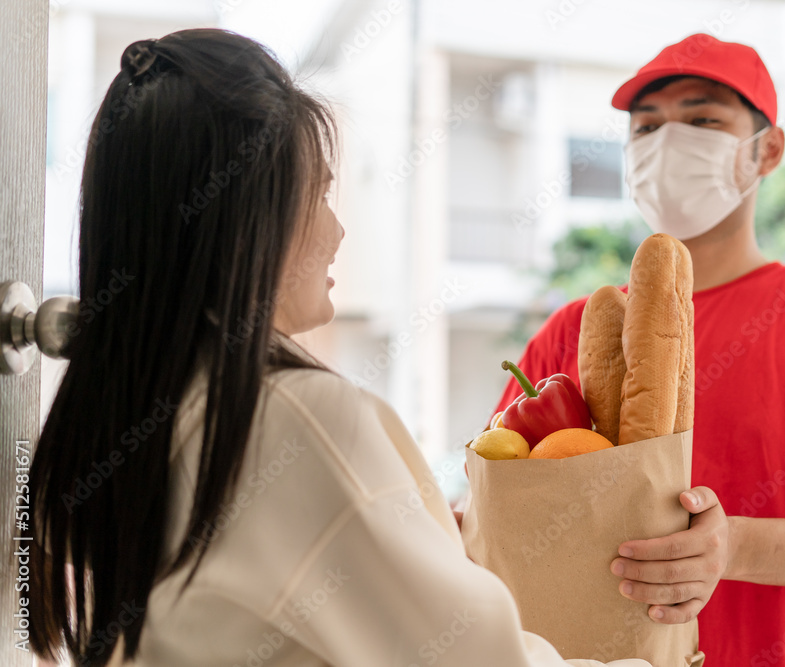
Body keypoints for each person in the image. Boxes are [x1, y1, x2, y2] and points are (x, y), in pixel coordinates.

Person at [24, 29, 652, 667]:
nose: (338, 229)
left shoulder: (110, 425)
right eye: (321, 193)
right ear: (246, 218)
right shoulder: (296, 421)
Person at [491, 33, 785, 666]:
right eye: (646, 128)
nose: (668, 141)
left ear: (768, 150)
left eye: (703, 119)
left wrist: (730, 546)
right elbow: (493, 513)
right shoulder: (576, 330)